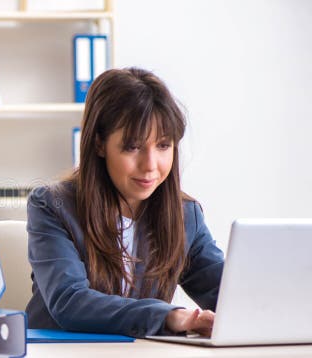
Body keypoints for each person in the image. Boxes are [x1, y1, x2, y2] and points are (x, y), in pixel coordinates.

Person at [25, 67, 224, 338]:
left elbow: (229, 295)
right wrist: (170, 316)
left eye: (164, 145)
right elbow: (69, 302)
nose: (151, 165)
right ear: (99, 144)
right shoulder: (52, 205)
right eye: (132, 147)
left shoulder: (185, 215)